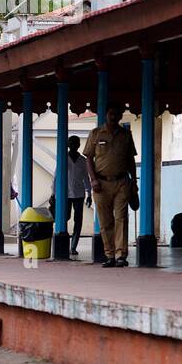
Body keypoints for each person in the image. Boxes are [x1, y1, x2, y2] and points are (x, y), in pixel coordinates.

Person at [84, 102, 137, 268]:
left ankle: (121, 255)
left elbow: (130, 160)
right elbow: (88, 159)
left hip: (121, 181)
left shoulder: (126, 135)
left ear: (121, 116)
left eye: (117, 113)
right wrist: (93, 180)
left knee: (121, 218)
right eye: (111, 113)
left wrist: (134, 181)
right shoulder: (96, 134)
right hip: (101, 184)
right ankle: (110, 255)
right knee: (105, 221)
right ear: (106, 115)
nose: (114, 116)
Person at [62, 135, 92, 256]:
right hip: (66, 194)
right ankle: (63, 243)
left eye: (76, 143)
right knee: (65, 218)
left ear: (79, 145)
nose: (73, 145)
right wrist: (54, 193)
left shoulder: (83, 161)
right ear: (68, 145)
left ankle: (73, 246)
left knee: (78, 221)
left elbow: (86, 178)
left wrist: (89, 194)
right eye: (71, 143)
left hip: (79, 194)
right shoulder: (63, 158)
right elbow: (56, 176)